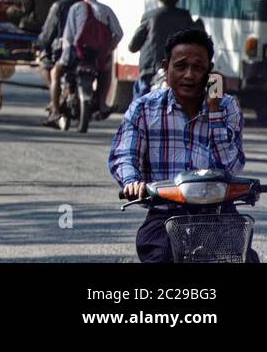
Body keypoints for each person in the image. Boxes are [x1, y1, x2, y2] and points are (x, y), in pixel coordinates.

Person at [109, 28, 257, 263]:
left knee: (244, 258)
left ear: (210, 71)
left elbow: (230, 166)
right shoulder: (144, 109)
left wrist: (215, 111)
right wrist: (132, 182)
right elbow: (124, 155)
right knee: (159, 255)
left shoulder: (226, 107)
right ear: (166, 67)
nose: (189, 75)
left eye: (198, 67)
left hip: (219, 215)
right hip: (165, 213)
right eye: (180, 66)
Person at [49, 0, 123, 123]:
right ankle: (102, 104)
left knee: (55, 72)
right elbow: (119, 34)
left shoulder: (76, 8)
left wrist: (65, 58)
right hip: (98, 57)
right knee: (106, 72)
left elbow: (68, 37)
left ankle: (55, 110)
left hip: (78, 55)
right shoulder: (106, 10)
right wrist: (109, 48)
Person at [128, 0, 202, 98]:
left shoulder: (150, 17)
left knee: (138, 107)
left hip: (151, 70)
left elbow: (133, 46)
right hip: (179, 70)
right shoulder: (185, 17)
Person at [38, 0, 83, 99]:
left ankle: (55, 99)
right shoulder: (86, 5)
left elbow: (47, 35)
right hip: (86, 51)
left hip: (60, 51)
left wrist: (40, 44)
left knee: (44, 65)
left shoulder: (59, 6)